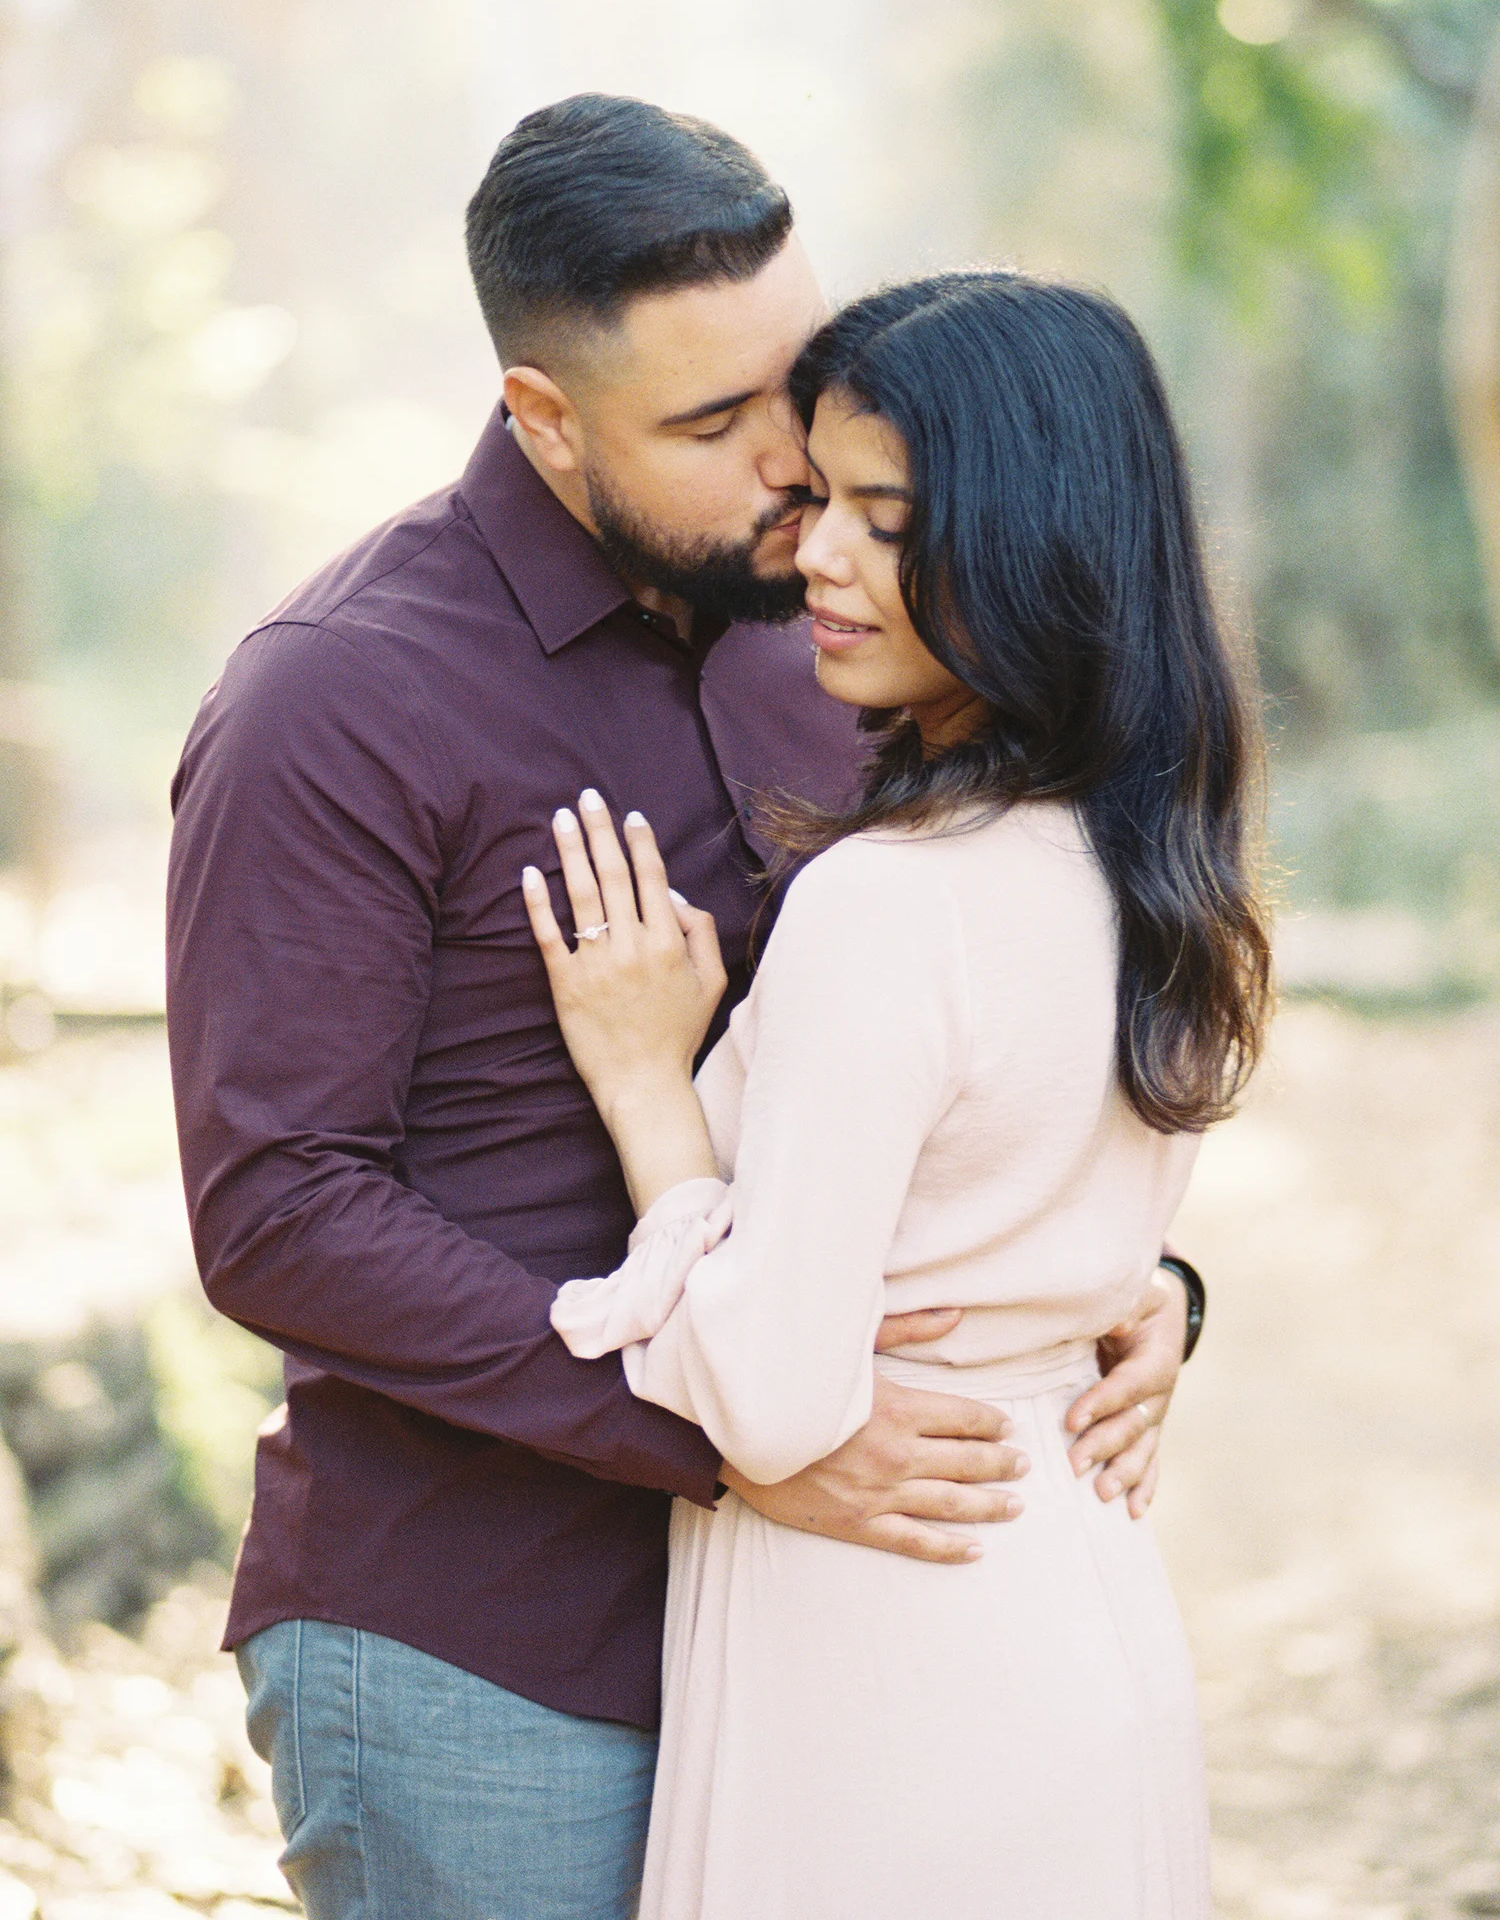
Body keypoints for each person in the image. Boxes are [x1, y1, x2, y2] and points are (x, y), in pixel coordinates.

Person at [167, 98, 1202, 1920]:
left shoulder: (841, 628)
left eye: (792, 392)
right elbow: (278, 1212)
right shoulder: (333, 702)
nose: (792, 475)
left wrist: (1130, 1293)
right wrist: (731, 1427)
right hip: (488, 1645)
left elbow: (962, 1028)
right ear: (544, 416)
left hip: (832, 1635)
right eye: (712, 427)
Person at [527, 270, 1270, 1920]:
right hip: (1070, 1602)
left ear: (1031, 540)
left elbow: (783, 1401)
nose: (817, 557)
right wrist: (1149, 1296)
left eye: (887, 518)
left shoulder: (896, 898)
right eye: (823, 504)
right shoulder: (1152, 859)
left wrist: (654, 1092)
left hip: (890, 1647)